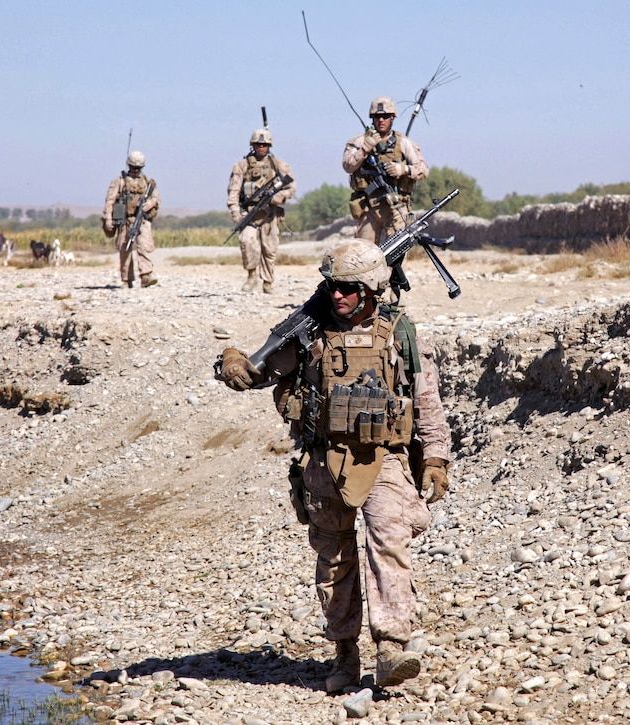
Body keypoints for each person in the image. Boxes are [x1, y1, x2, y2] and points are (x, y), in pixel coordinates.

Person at [218, 240, 451, 693]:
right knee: (335, 559)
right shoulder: (310, 333)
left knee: (389, 544)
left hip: (384, 458)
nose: (337, 296)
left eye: (347, 288)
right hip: (324, 462)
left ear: (370, 290)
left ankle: (390, 648)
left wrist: (436, 458)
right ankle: (345, 652)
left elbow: (427, 401)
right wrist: (233, 362)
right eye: (330, 287)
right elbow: (259, 371)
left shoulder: (399, 332)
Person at [342, 97, 430, 243]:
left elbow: (423, 170)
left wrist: (403, 169)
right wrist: (364, 149)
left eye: (385, 116)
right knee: (365, 254)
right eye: (377, 116)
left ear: (392, 118)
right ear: (372, 118)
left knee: (397, 253)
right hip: (368, 207)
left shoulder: (403, 143)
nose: (381, 120)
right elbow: (348, 166)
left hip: (396, 206)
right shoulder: (359, 142)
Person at [226, 128, 296, 294]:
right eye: (258, 144)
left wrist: (280, 196)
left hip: (270, 213)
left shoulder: (278, 164)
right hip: (249, 212)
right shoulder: (242, 165)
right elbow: (233, 192)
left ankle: (267, 281)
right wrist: (236, 213)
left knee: (269, 248)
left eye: (264, 144)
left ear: (269, 145)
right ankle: (252, 276)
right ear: (253, 145)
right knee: (246, 241)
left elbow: (291, 186)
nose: (261, 147)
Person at [102, 150, 160, 288]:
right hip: (124, 221)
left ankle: (146, 275)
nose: (135, 171)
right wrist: (108, 219)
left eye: (138, 168)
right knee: (125, 249)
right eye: (133, 168)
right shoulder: (119, 182)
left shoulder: (147, 183)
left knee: (144, 247)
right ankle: (127, 279)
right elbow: (109, 202)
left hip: (142, 219)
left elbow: (156, 198)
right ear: (128, 166)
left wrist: (149, 204)